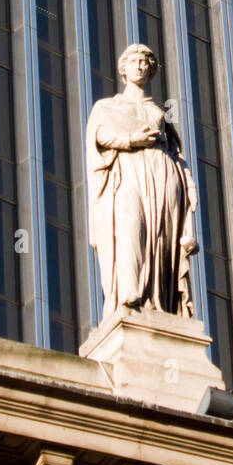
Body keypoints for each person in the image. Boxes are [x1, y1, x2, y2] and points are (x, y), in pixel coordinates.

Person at [86, 43, 198, 317]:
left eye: (144, 62)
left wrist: (191, 189)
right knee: (129, 225)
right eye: (133, 61)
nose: (139, 65)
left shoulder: (158, 111)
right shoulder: (107, 106)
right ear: (123, 69)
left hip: (163, 175)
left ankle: (157, 303)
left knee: (161, 240)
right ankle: (128, 294)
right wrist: (130, 140)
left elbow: (177, 153)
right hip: (126, 170)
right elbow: (98, 138)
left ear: (150, 70)